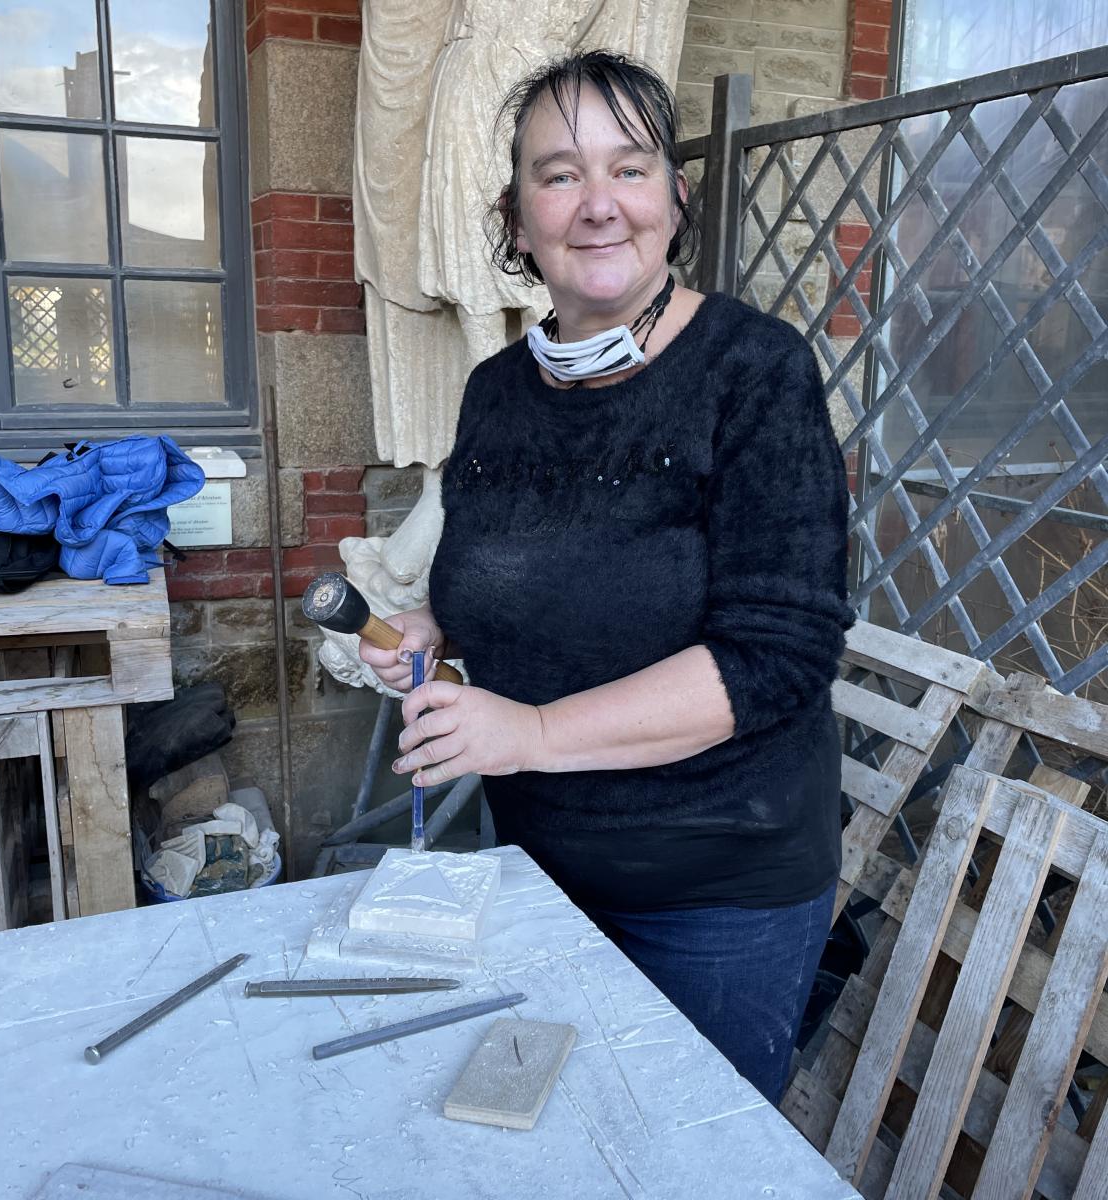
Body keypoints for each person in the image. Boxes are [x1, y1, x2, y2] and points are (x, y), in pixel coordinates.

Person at [358, 50, 852, 1106]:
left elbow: (779, 656)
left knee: (683, 1157)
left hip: (716, 896)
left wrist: (528, 735)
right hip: (541, 869)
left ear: (675, 201)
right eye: (558, 174)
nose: (597, 206)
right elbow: (503, 566)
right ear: (515, 215)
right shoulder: (495, 391)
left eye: (629, 170)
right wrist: (429, 626)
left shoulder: (754, 372)